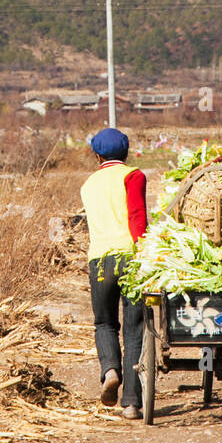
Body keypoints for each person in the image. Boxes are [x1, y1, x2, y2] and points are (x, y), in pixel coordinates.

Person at [80, 127, 147, 420]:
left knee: (105, 323)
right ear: (127, 152)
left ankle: (109, 371)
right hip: (130, 258)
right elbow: (137, 218)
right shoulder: (133, 176)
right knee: (135, 328)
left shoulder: (88, 185)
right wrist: (146, 250)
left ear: (97, 156)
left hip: (98, 261)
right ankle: (131, 402)